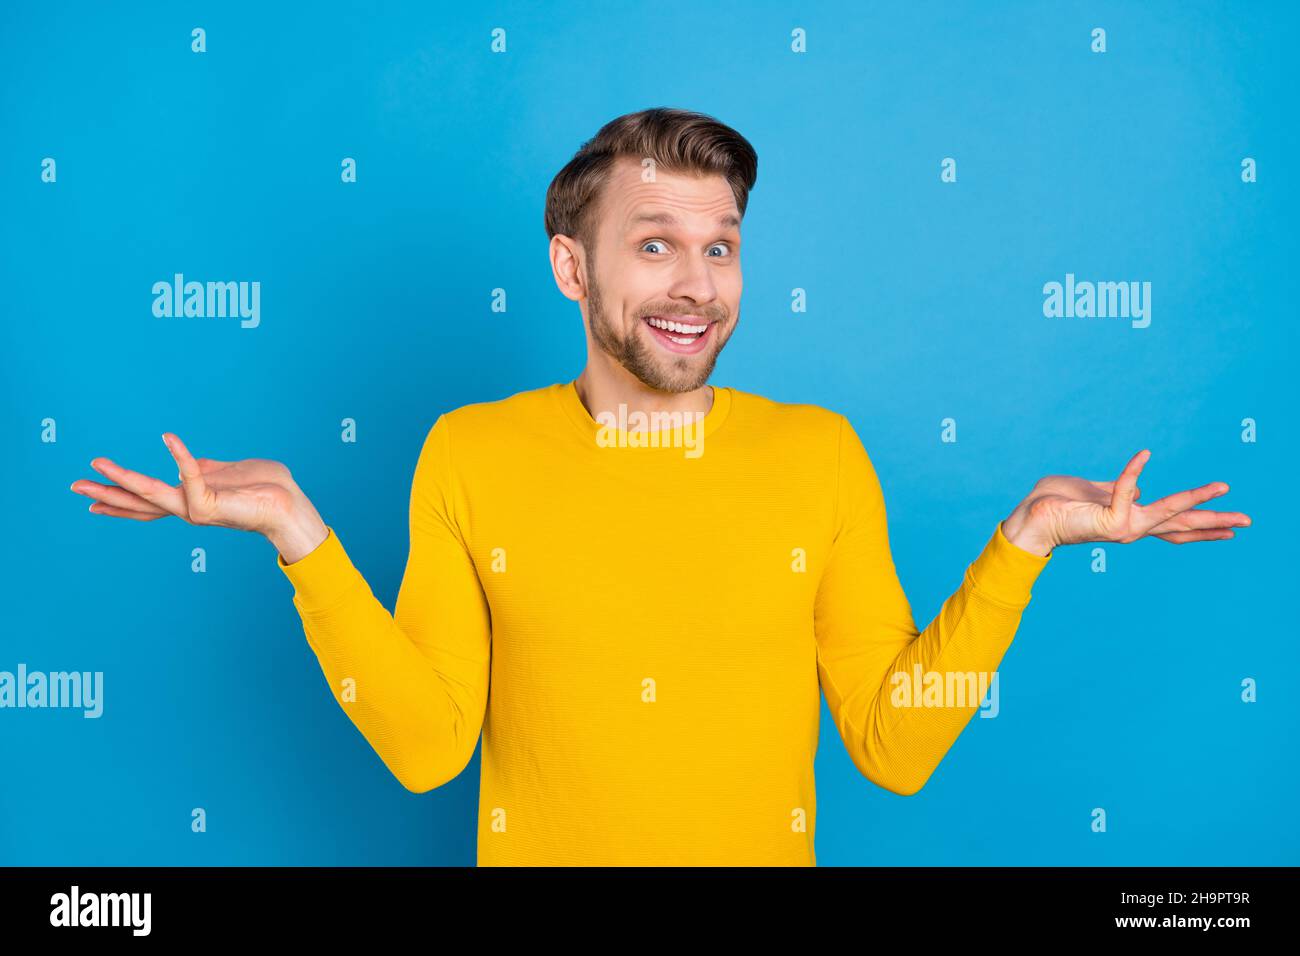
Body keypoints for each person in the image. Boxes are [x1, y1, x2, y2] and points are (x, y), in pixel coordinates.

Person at [69, 107, 1251, 866]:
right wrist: (301, 539)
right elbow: (432, 748)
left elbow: (892, 741)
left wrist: (1025, 541)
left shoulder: (818, 455)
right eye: (654, 243)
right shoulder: (469, 451)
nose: (696, 282)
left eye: (720, 243)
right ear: (569, 266)